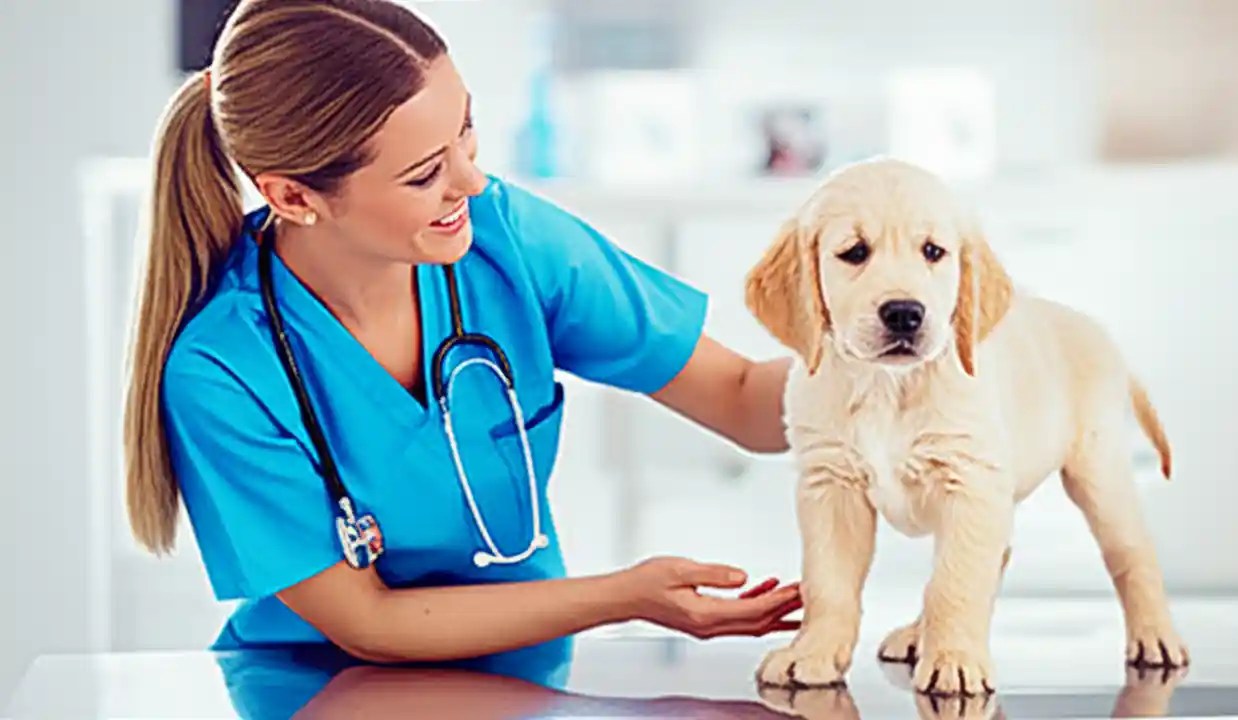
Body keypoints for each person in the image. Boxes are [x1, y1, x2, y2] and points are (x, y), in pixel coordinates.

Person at [123, 0, 799, 664]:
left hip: (522, 679)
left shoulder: (506, 241)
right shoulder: (222, 369)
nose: (471, 181)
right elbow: (371, 625)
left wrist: (886, 367)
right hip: (315, 692)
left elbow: (743, 399)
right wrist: (627, 597)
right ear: (295, 197)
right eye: (425, 175)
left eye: (465, 132)